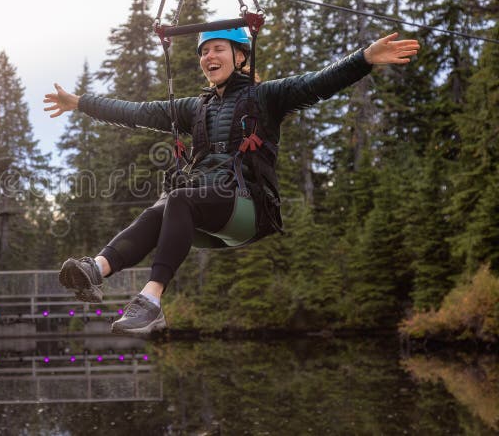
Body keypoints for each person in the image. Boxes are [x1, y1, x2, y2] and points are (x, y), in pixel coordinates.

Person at [43, 28, 420, 337]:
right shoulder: (196, 108)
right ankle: (97, 269)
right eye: (204, 52)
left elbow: (317, 84)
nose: (209, 56)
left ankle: (152, 300)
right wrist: (80, 103)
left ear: (241, 56)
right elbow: (138, 112)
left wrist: (364, 59)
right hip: (205, 212)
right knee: (164, 205)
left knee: (178, 198)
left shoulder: (266, 96)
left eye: (218, 49)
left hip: (247, 208)